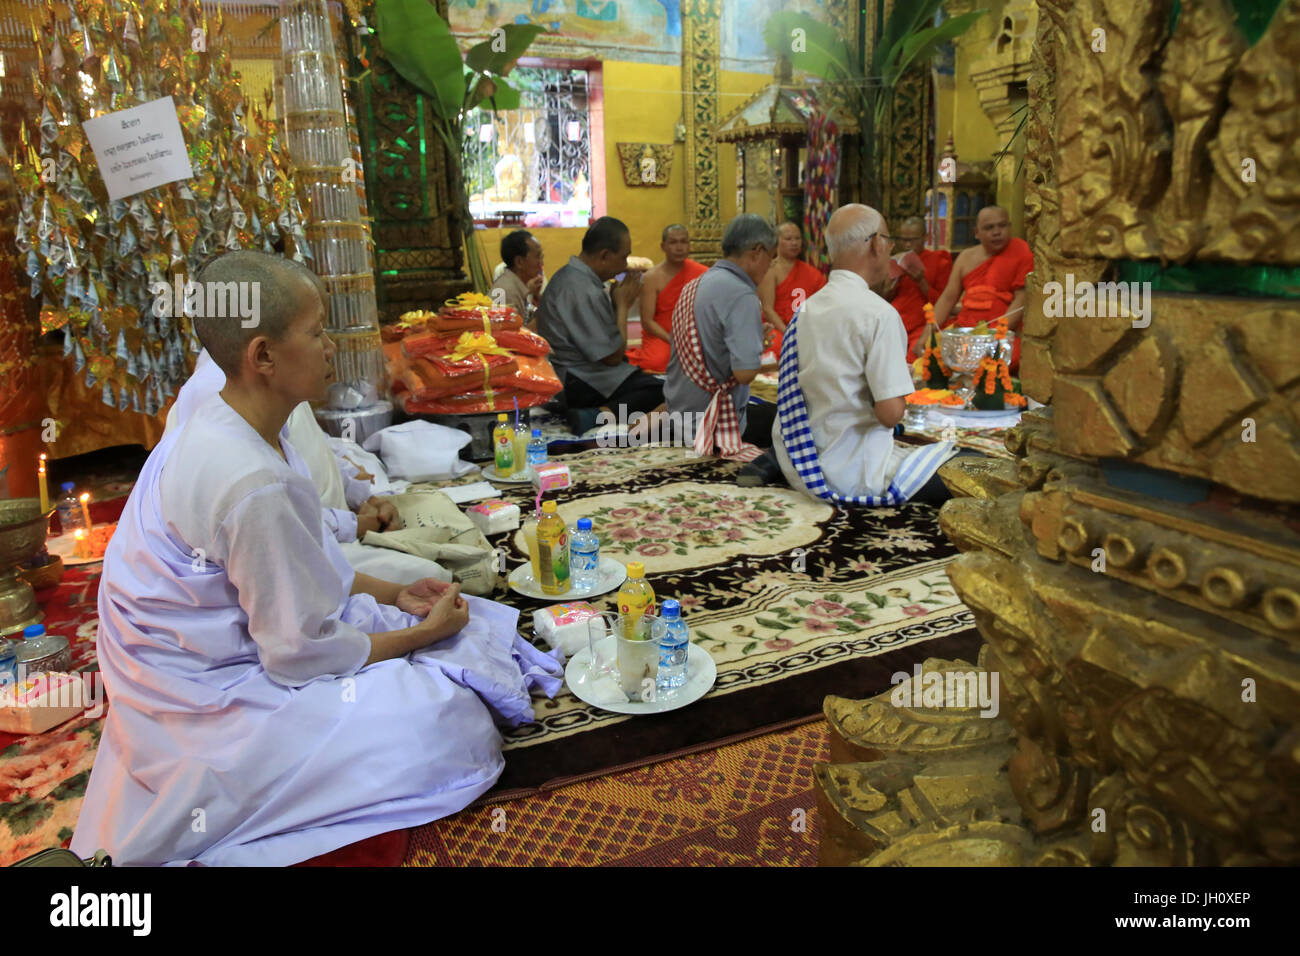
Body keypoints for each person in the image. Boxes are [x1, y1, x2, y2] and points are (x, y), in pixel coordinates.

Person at [71, 250, 562, 866]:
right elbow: (299, 656)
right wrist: (418, 636)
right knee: (445, 722)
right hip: (203, 697)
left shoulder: (235, 421)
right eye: (317, 332)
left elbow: (299, 567)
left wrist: (391, 597)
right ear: (263, 357)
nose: (331, 347)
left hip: (197, 661)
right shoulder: (249, 477)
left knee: (429, 610)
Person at [165, 345, 451, 587]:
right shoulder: (223, 392)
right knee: (432, 578)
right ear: (263, 350)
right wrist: (355, 525)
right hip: (289, 552)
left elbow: (316, 447)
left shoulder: (274, 383)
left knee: (434, 572)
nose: (331, 347)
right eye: (314, 332)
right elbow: (271, 519)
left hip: (324, 534)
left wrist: (362, 496)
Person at [771, 204, 962, 505]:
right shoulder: (878, 314)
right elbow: (890, 415)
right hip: (857, 473)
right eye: (888, 240)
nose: (889, 249)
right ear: (876, 243)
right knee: (974, 468)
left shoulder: (806, 309)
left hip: (800, 464)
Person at [535, 216, 664, 435]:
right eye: (623, 257)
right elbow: (612, 357)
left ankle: (598, 413)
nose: (624, 265)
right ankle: (595, 417)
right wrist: (623, 306)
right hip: (579, 380)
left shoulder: (573, 277)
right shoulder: (583, 289)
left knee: (647, 382)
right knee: (661, 392)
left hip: (573, 375)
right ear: (604, 255)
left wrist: (615, 304)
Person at [663, 213, 776, 463]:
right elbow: (745, 373)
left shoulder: (696, 283)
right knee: (790, 420)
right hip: (711, 424)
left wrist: (752, 338)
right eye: (771, 257)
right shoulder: (741, 294)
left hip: (679, 409)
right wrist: (756, 347)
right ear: (757, 252)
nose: (771, 266)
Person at [921, 205, 1033, 369]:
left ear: (1010, 227)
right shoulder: (966, 257)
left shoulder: (1021, 251)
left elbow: (1021, 302)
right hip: (965, 331)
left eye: (1002, 226)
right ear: (976, 233)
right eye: (989, 228)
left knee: (1011, 357)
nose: (997, 232)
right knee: (927, 352)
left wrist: (990, 340)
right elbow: (947, 298)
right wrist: (927, 333)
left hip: (999, 334)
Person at [625, 224, 706, 374]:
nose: (679, 247)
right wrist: (673, 341)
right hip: (662, 335)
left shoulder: (702, 273)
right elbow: (648, 321)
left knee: (709, 356)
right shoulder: (651, 278)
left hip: (693, 334)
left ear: (689, 245)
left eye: (683, 242)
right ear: (663, 246)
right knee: (658, 361)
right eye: (673, 242)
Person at [758, 220, 826, 359]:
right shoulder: (771, 270)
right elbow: (767, 309)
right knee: (777, 347)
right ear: (777, 241)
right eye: (788, 239)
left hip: (806, 329)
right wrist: (788, 333)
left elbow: (823, 305)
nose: (794, 243)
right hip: (778, 329)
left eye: (797, 238)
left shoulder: (811, 273)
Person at [884, 216, 952, 353]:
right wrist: (891, 285)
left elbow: (944, 302)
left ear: (925, 237)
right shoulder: (898, 260)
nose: (907, 245)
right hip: (897, 315)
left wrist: (921, 282)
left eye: (912, 240)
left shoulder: (940, 261)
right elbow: (887, 298)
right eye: (903, 240)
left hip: (923, 319)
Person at [491, 229, 544, 329]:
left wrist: (537, 296)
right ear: (519, 262)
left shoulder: (520, 286)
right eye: (537, 256)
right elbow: (503, 335)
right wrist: (543, 317)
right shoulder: (502, 291)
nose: (541, 263)